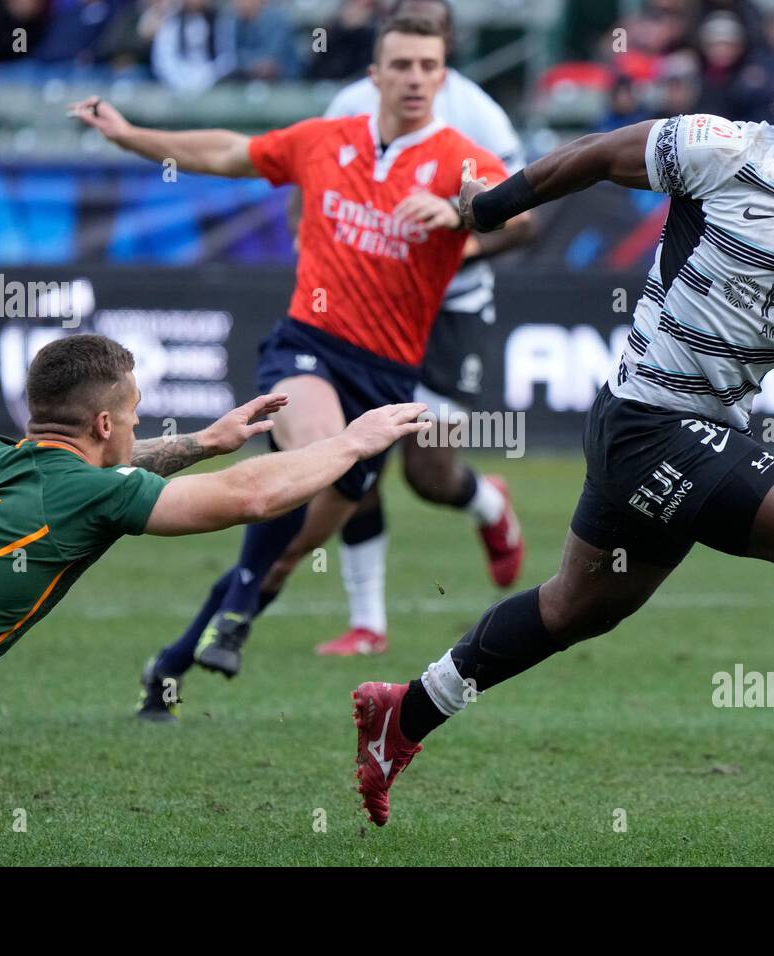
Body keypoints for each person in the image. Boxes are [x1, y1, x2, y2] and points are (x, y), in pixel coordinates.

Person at [351, 37, 774, 827]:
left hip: (694, 429)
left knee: (574, 609)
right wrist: (481, 210)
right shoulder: (719, 150)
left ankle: (404, 714)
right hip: (651, 423)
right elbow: (591, 155)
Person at [70, 15, 527, 718]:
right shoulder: (323, 140)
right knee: (316, 452)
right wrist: (132, 135)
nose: (413, 78)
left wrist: (466, 212)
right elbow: (227, 151)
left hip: (387, 376)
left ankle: (175, 659)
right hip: (309, 344)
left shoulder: (460, 160)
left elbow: (516, 216)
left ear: (444, 75)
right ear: (373, 75)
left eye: (427, 66)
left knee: (292, 542)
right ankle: (244, 604)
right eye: (400, 64)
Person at [0, 333, 426, 781]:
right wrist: (350, 442)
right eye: (134, 414)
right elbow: (252, 495)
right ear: (105, 422)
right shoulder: (93, 495)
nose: (139, 424)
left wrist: (204, 442)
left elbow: (104, 474)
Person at [312, 0, 535, 657]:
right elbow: (310, 193)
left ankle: (489, 504)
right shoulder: (347, 104)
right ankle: (367, 625)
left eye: (428, 49)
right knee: (357, 458)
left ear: (447, 44)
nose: (414, 73)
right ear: (381, 54)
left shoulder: (478, 116)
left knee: (428, 471)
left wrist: (456, 246)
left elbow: (528, 220)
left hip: (451, 310)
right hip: (368, 308)